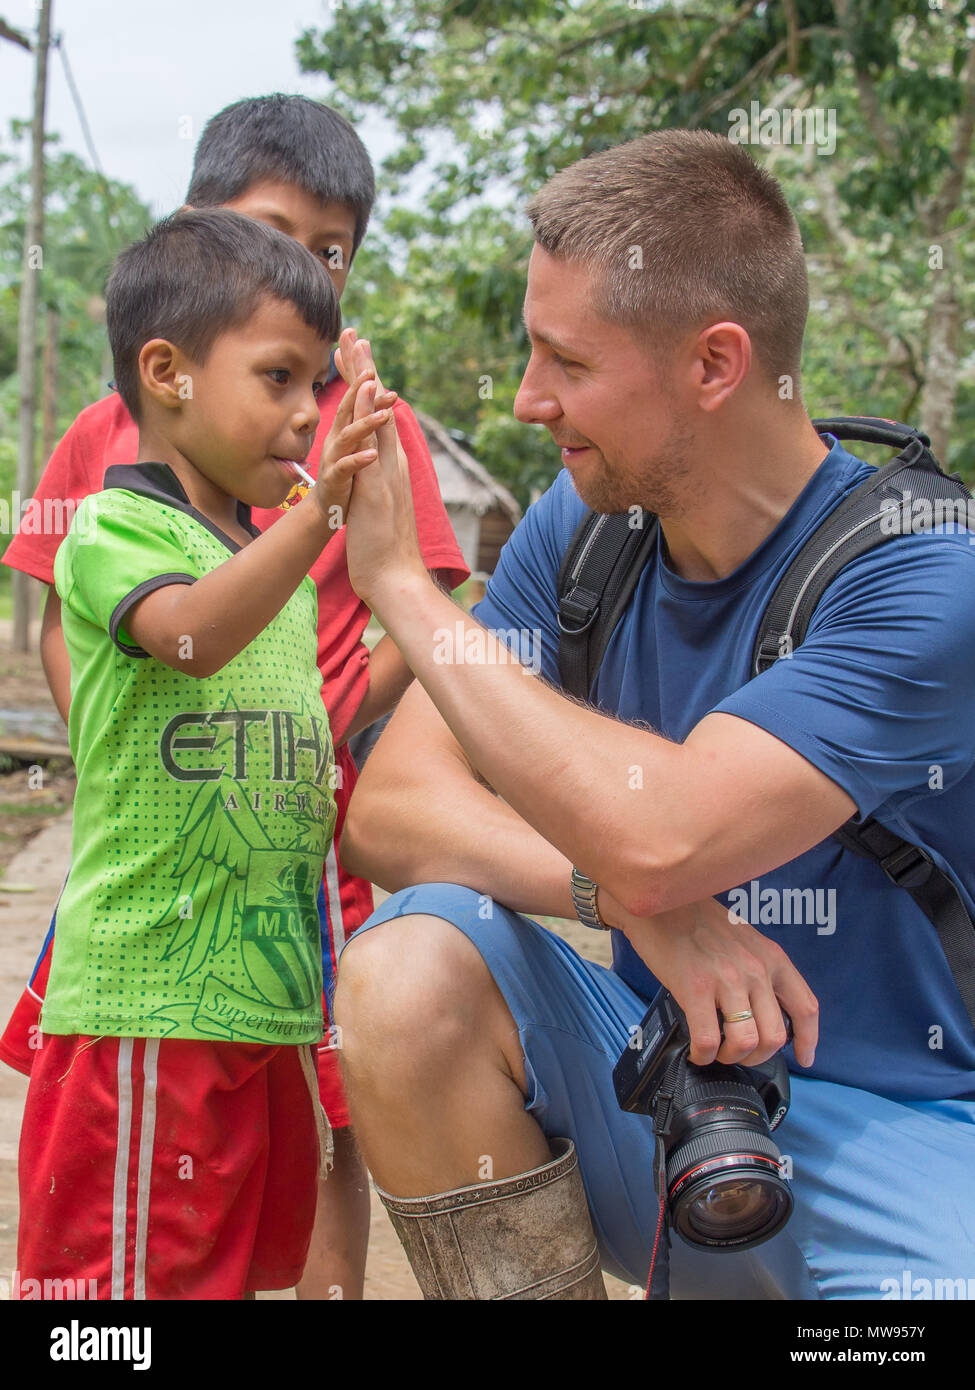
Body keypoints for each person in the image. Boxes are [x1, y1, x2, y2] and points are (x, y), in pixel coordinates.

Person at [330, 130, 975, 1301]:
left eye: (565, 360)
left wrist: (404, 592)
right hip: (660, 1099)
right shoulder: (582, 537)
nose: (530, 400)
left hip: (913, 1133)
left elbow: (665, 833)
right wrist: (630, 904)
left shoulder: (930, 570)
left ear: (716, 364)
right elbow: (391, 809)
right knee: (406, 969)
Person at [0, 93, 469, 1300]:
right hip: (158, 963)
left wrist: (325, 729)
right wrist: (117, 748)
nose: (308, 409)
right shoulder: (115, 494)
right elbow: (174, 637)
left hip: (278, 923)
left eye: (333, 255)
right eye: (278, 374)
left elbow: (406, 603)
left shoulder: (337, 442)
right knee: (128, 1278)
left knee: (292, 1172)